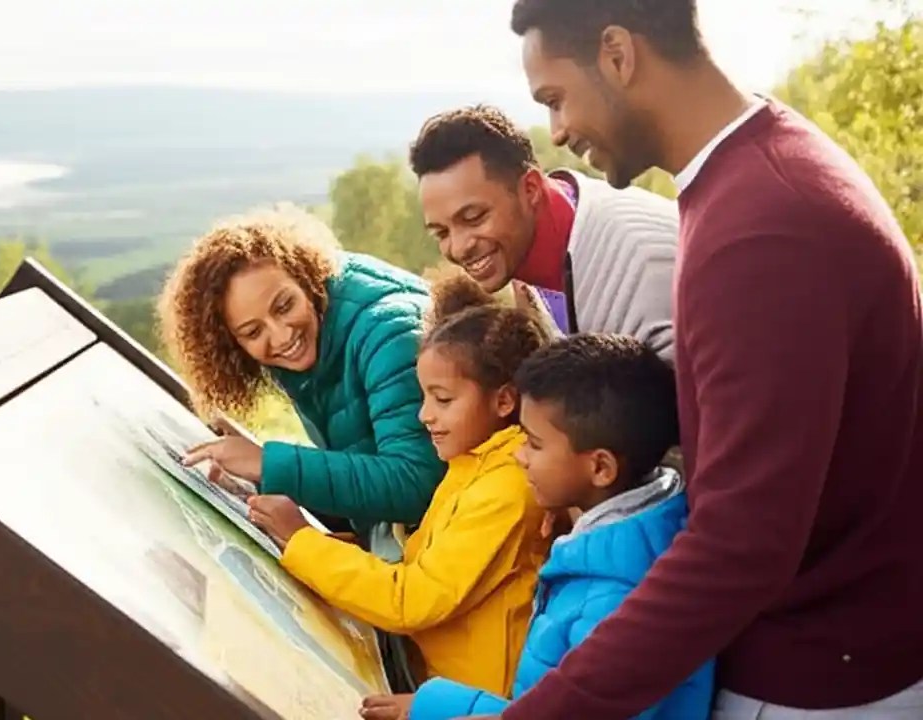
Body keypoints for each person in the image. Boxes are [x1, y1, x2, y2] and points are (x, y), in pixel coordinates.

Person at [483, 1, 923, 718]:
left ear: (618, 54)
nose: (557, 132)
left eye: (555, 99)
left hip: (817, 677)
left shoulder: (763, 230)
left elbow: (740, 547)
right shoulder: (762, 170)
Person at [247, 271, 551, 700]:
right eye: (424, 397)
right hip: (433, 679)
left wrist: (301, 541)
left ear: (504, 401)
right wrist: (334, 547)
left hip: (469, 700)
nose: (424, 415)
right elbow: (421, 562)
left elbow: (411, 598)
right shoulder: (473, 463)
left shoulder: (506, 488)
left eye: (443, 400)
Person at [383, 334, 713, 720]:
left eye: (534, 444)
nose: (520, 457)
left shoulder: (618, 599)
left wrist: (431, 708)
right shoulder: (633, 533)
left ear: (601, 468)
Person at [158, 204, 446, 545]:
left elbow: (416, 482)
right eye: (252, 333)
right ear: (231, 344)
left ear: (303, 274)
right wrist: (258, 481)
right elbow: (363, 459)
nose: (281, 336)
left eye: (284, 306)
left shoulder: (389, 335)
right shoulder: (309, 340)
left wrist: (267, 463)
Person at [409, 104, 678, 360]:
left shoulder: (635, 262)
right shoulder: (521, 262)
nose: (458, 248)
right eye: (441, 233)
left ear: (531, 189)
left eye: (474, 218)